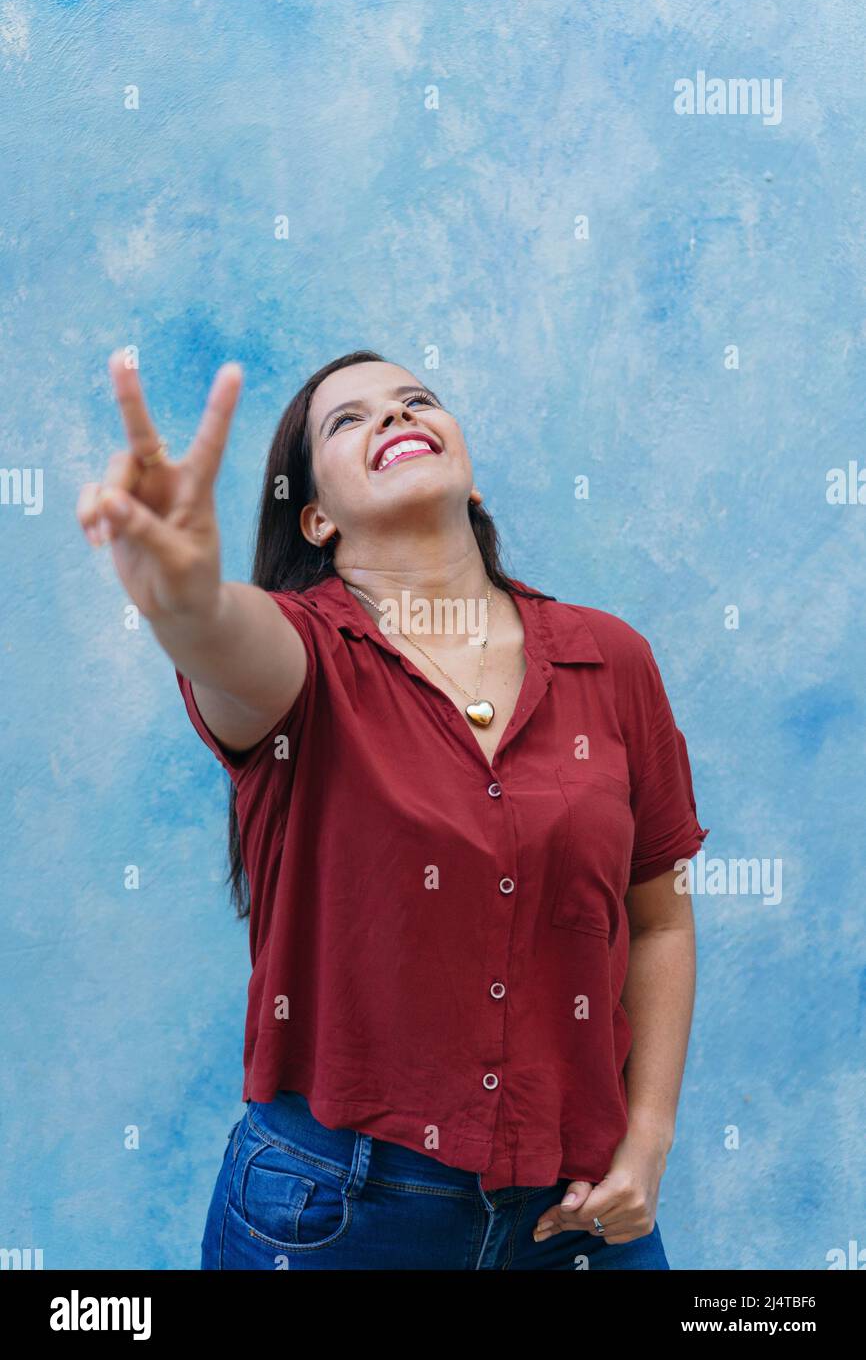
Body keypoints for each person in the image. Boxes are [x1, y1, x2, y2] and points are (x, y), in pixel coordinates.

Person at [77, 347, 709, 1271]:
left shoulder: (612, 660)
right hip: (333, 1217)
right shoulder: (302, 655)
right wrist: (183, 596)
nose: (395, 417)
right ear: (317, 517)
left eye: (417, 400)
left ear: (470, 474)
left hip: (577, 1219)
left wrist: (647, 1141)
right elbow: (223, 642)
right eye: (348, 420)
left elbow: (661, 917)